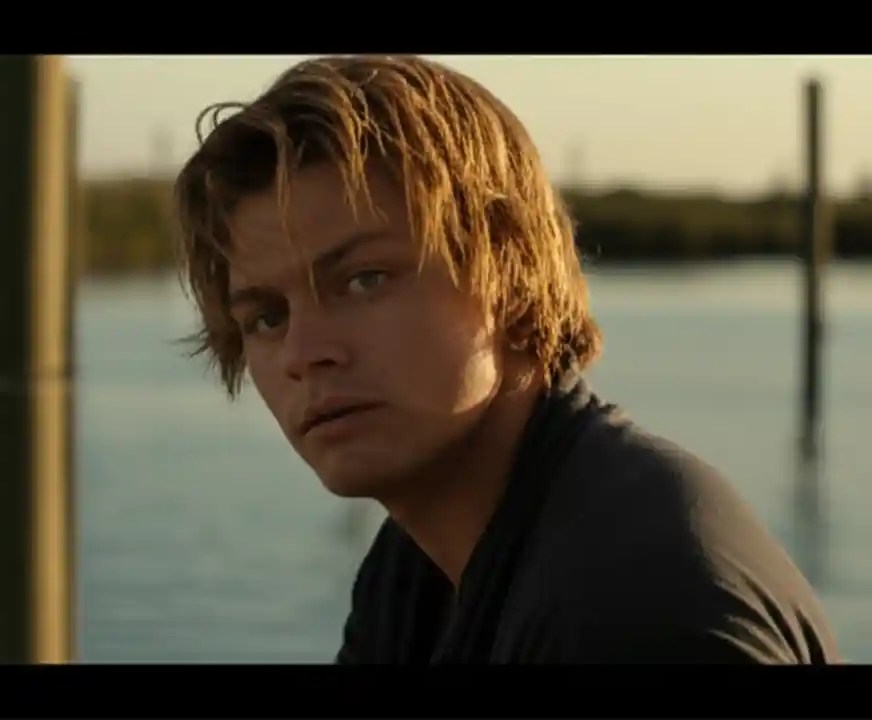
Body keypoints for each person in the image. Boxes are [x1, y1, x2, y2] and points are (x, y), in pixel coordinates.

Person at [169, 54, 840, 663]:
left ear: (511, 278)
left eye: (365, 279)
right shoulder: (418, 567)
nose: (304, 354)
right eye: (266, 316)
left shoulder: (633, 604)